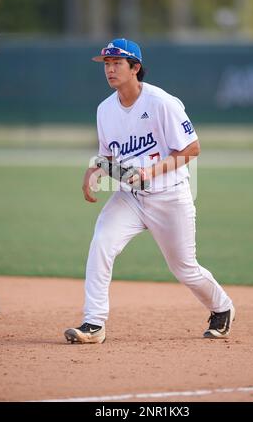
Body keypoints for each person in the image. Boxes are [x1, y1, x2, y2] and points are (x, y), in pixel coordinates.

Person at [64, 38, 235, 344]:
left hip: (170, 195)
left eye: (117, 63)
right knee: (101, 243)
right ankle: (94, 323)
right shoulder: (105, 110)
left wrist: (151, 172)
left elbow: (192, 148)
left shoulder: (161, 103)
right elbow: (109, 156)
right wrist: (94, 169)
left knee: (184, 268)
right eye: (106, 63)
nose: (110, 69)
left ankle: (222, 307)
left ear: (135, 68)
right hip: (131, 198)